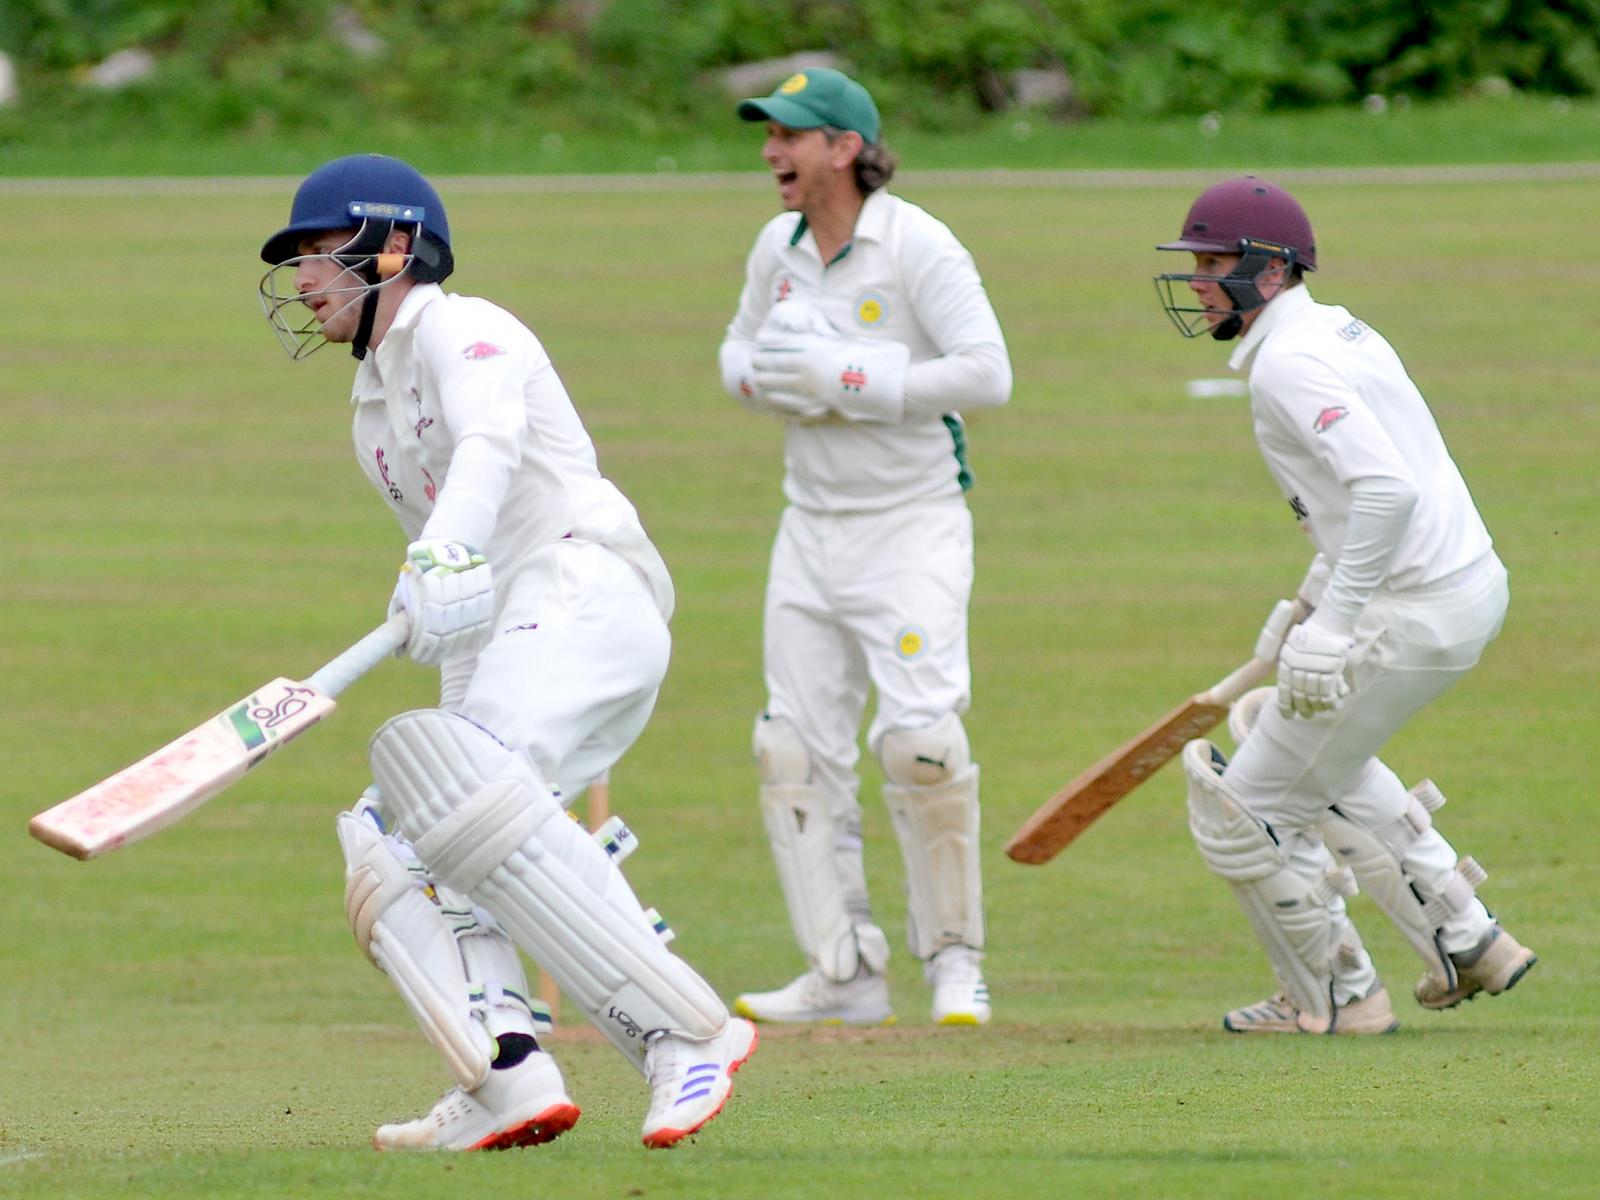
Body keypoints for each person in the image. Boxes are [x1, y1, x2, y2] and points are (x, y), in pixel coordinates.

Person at [257, 153, 755, 1149]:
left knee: (466, 799)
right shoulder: (373, 417)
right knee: (396, 831)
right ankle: (506, 1073)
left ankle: (685, 1031)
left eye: (320, 251)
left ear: (393, 248)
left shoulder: (466, 327)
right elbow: (464, 612)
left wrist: (444, 549)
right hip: (516, 629)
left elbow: (490, 444)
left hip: (584, 587)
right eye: (300, 259)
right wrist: (441, 601)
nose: (304, 278)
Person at [1153, 176, 1537, 1034]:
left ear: (1274, 270)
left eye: (1215, 263)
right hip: (1457, 588)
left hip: (1414, 608)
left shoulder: (1287, 364)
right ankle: (1468, 935)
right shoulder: (1335, 328)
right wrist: (1312, 601)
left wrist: (1336, 624)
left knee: (1241, 814)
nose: (1197, 281)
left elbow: (1386, 490)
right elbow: (1377, 490)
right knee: (1298, 750)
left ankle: (1337, 996)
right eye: (1196, 264)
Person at [716, 70, 1012, 1027]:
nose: (771, 153)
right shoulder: (779, 246)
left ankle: (955, 962)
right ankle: (842, 973)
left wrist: (846, 374)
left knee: (921, 745)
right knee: (792, 751)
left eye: (789, 138)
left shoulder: (917, 244)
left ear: (844, 147)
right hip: (809, 526)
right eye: (767, 136)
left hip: (911, 523)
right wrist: (769, 378)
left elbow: (987, 375)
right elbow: (736, 351)